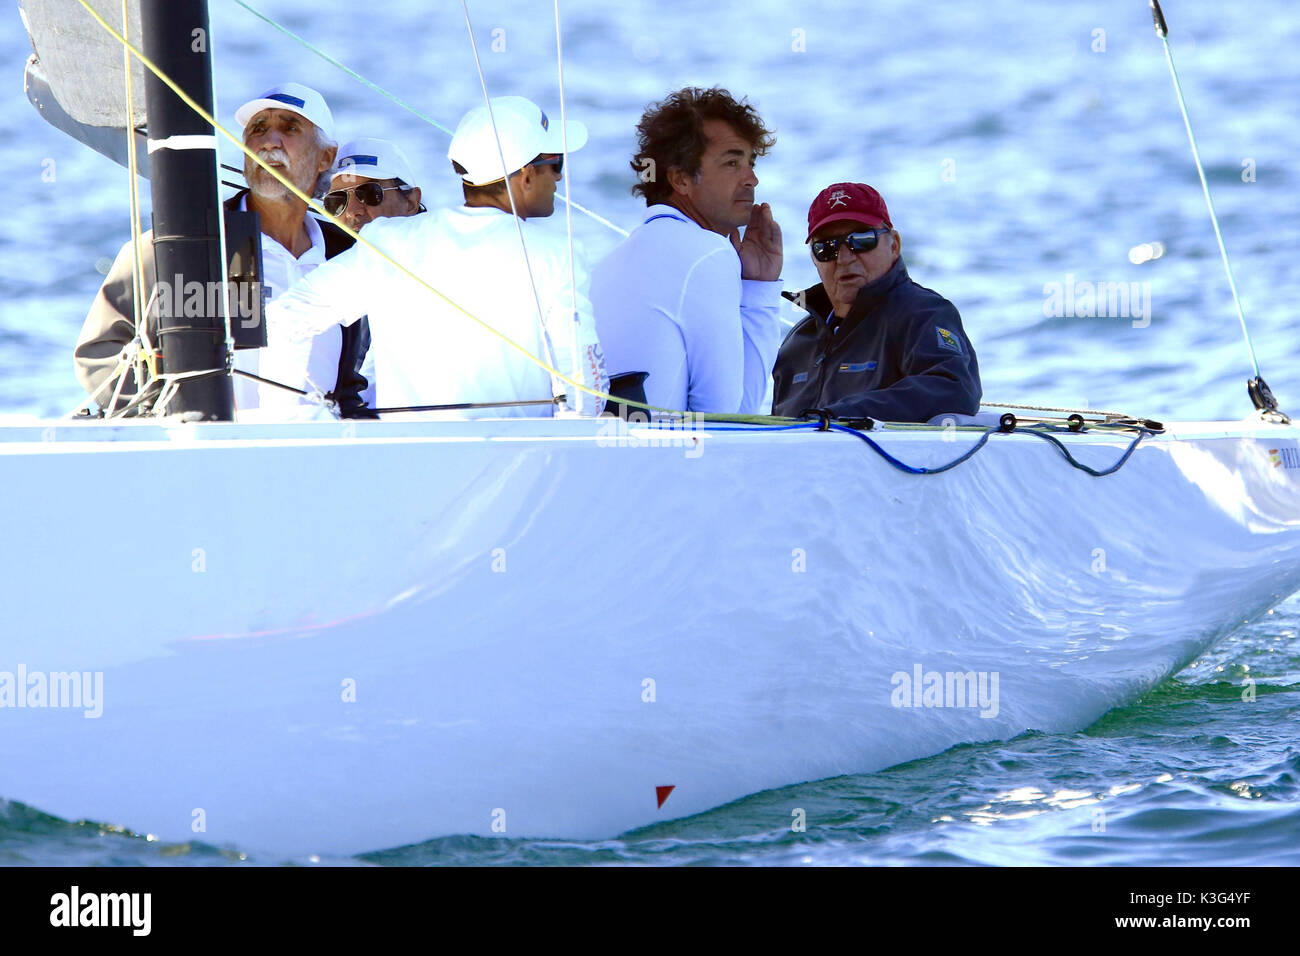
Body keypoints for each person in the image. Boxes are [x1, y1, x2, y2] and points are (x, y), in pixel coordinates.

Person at [265, 95, 607, 418]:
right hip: (518, 468)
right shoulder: (557, 254)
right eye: (554, 163)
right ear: (527, 176)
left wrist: (317, 415)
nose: (560, 175)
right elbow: (585, 395)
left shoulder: (388, 242)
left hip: (410, 468)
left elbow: (282, 320)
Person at [74, 82, 372, 417]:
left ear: (326, 158)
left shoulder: (347, 254)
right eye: (258, 129)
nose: (270, 141)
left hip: (322, 454)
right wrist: (173, 415)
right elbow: (99, 352)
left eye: (290, 128)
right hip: (213, 454)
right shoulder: (179, 244)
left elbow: (354, 376)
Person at [589, 87, 783, 415]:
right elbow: (728, 417)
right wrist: (761, 291)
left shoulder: (605, 265)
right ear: (680, 179)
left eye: (750, 162)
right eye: (732, 162)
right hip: (663, 464)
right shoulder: (708, 255)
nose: (752, 179)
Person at [771, 182, 981, 423]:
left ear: (894, 245)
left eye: (861, 239)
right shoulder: (797, 343)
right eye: (827, 248)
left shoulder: (924, 314)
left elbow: (954, 389)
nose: (844, 258)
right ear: (814, 259)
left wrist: (836, 417)